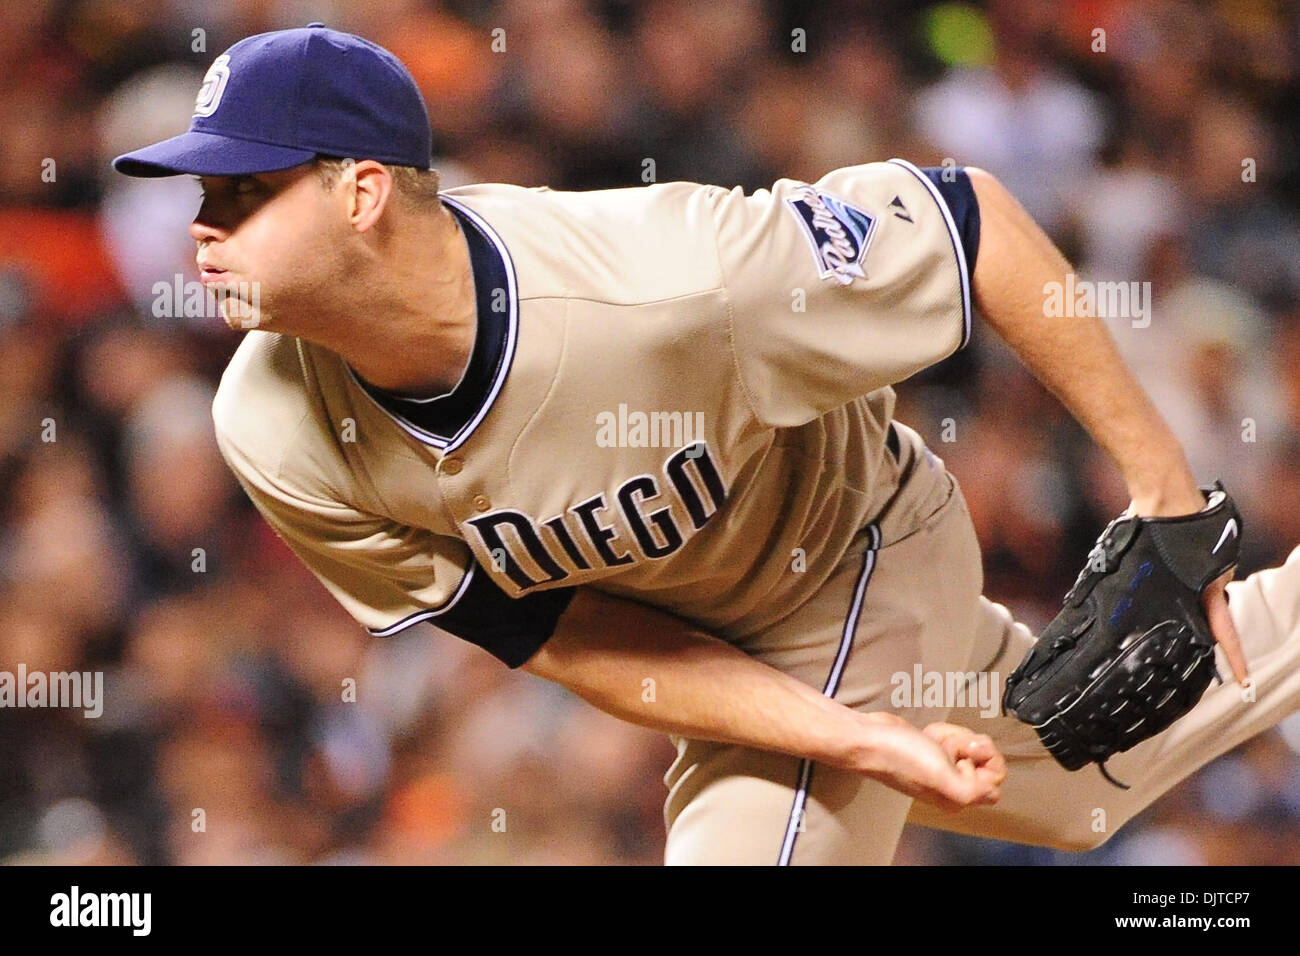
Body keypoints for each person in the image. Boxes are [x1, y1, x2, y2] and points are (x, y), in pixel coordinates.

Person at [114, 24, 1300, 864]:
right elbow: (559, 635)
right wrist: (851, 733)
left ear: (363, 190)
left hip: (856, 546)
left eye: (240, 193)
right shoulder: (268, 429)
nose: (201, 225)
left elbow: (970, 222)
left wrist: (1168, 500)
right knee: (1065, 779)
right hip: (724, 638)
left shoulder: (670, 279)